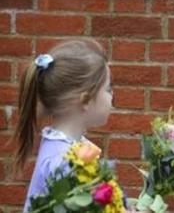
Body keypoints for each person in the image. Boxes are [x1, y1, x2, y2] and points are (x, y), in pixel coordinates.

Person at [14, 40, 115, 212]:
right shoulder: (64, 164)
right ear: (85, 100)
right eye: (107, 88)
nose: (112, 95)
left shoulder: (65, 150)